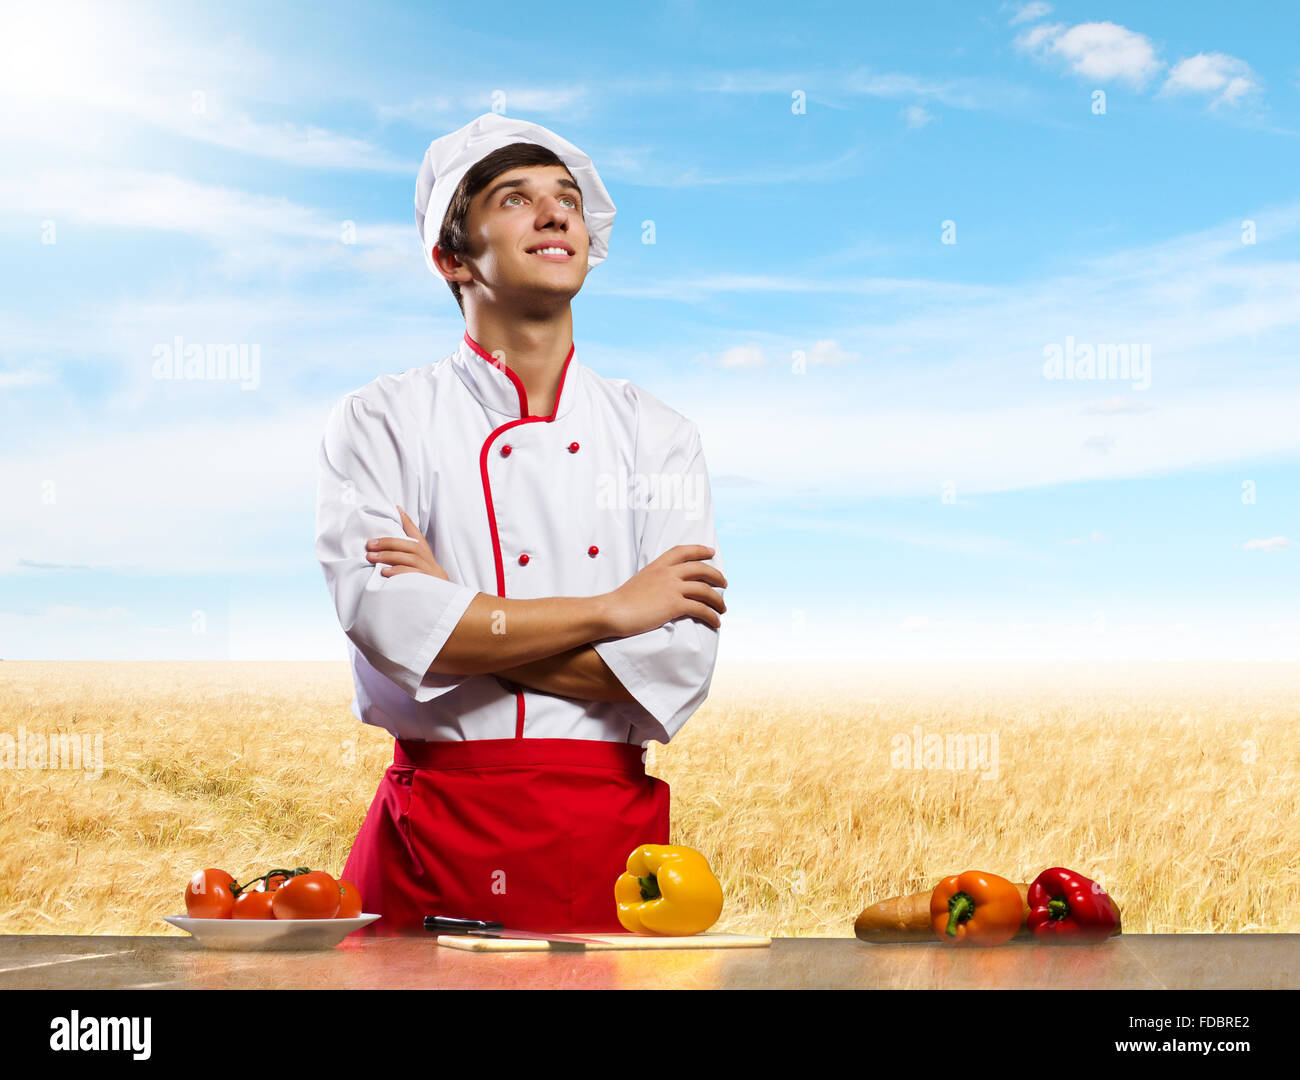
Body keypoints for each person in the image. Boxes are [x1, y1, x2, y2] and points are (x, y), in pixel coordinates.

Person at [314, 113, 728, 935]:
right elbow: (388, 627)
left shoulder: (659, 434)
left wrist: (458, 620)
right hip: (432, 834)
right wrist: (615, 611)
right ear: (451, 257)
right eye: (515, 198)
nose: (554, 214)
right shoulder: (380, 419)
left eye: (566, 198)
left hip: (614, 852)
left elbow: (677, 667)